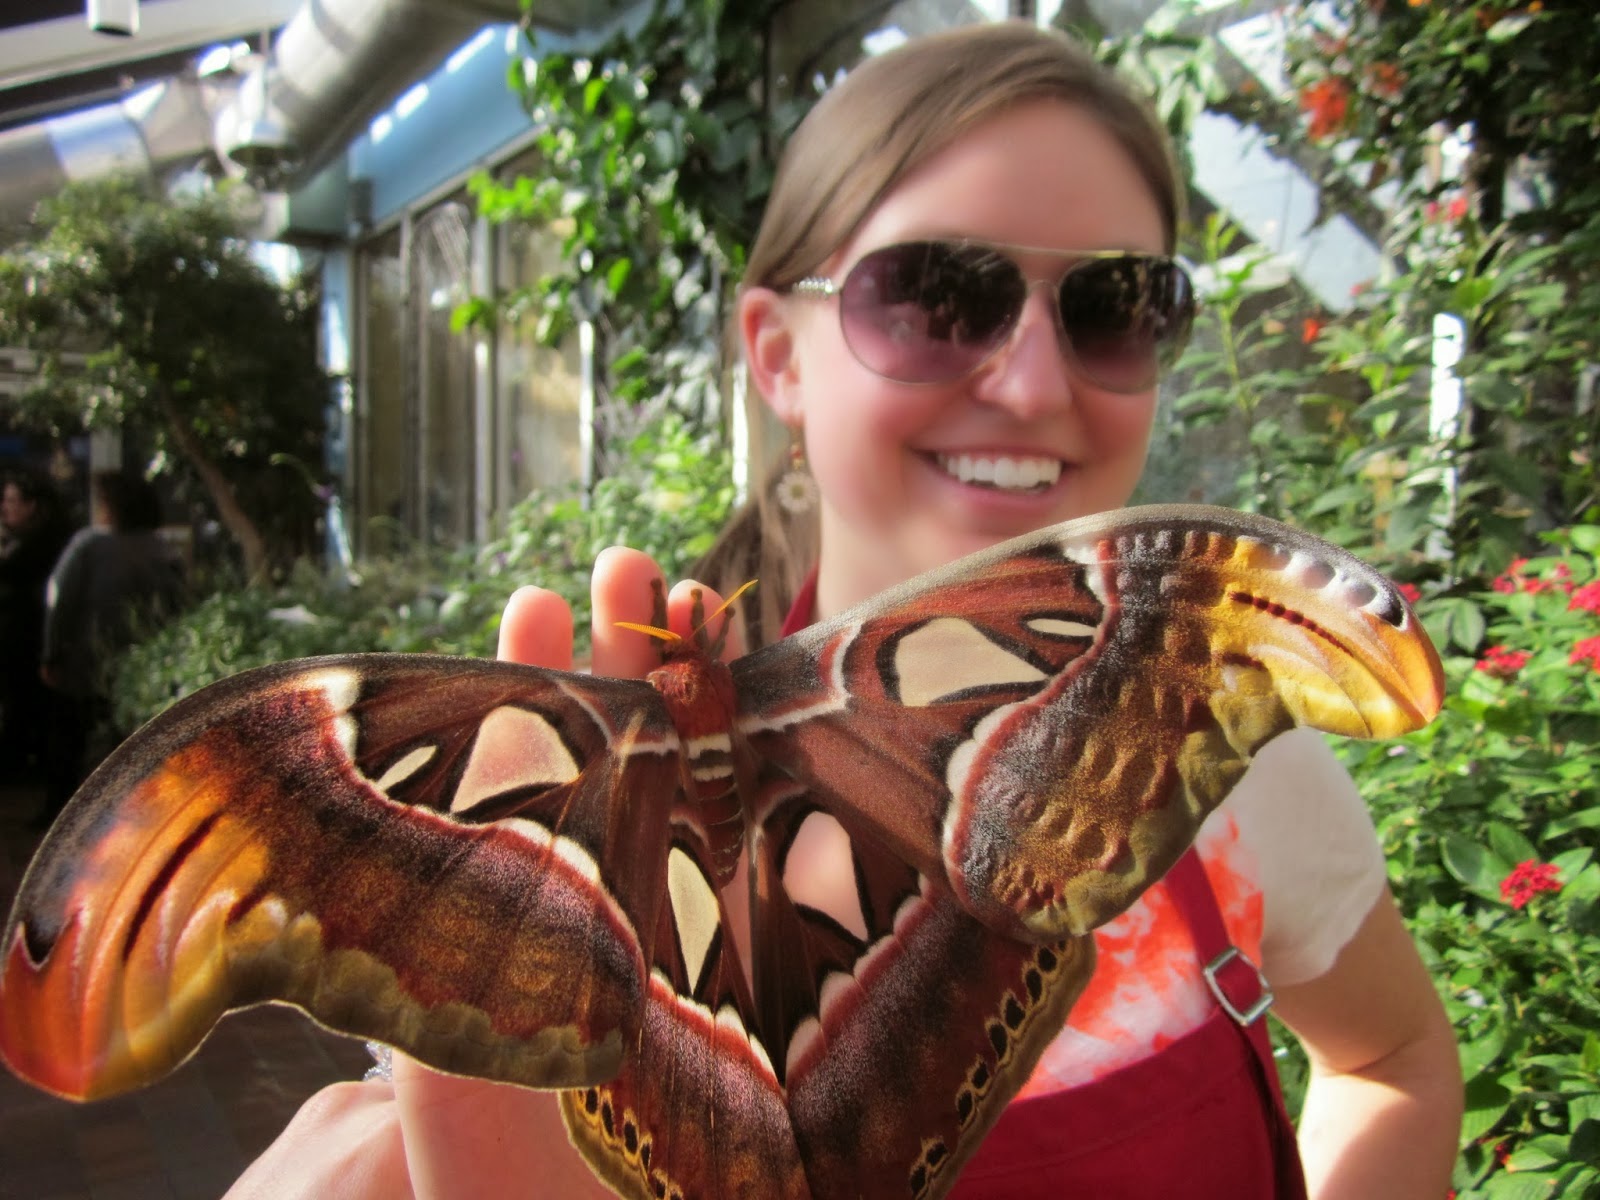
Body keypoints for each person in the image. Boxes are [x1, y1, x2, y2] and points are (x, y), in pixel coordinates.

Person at [229, 21, 1461, 1198]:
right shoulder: (577, 825)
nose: (1034, 384)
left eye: (1114, 305)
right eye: (932, 296)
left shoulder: (1210, 764)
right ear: (775, 355)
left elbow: (1394, 1061)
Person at [38, 469, 184, 824]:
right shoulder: (159, 549)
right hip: (138, 666)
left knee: (68, 739)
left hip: (84, 663)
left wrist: (51, 652)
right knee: (123, 746)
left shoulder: (89, 546)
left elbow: (61, 601)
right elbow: (178, 607)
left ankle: (60, 816)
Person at [0, 469, 71, 786]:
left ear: (33, 506)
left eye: (13, 500)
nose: (5, 506)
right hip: (23, 639)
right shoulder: (20, 541)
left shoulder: (42, 544)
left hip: (33, 640)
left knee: (30, 709)